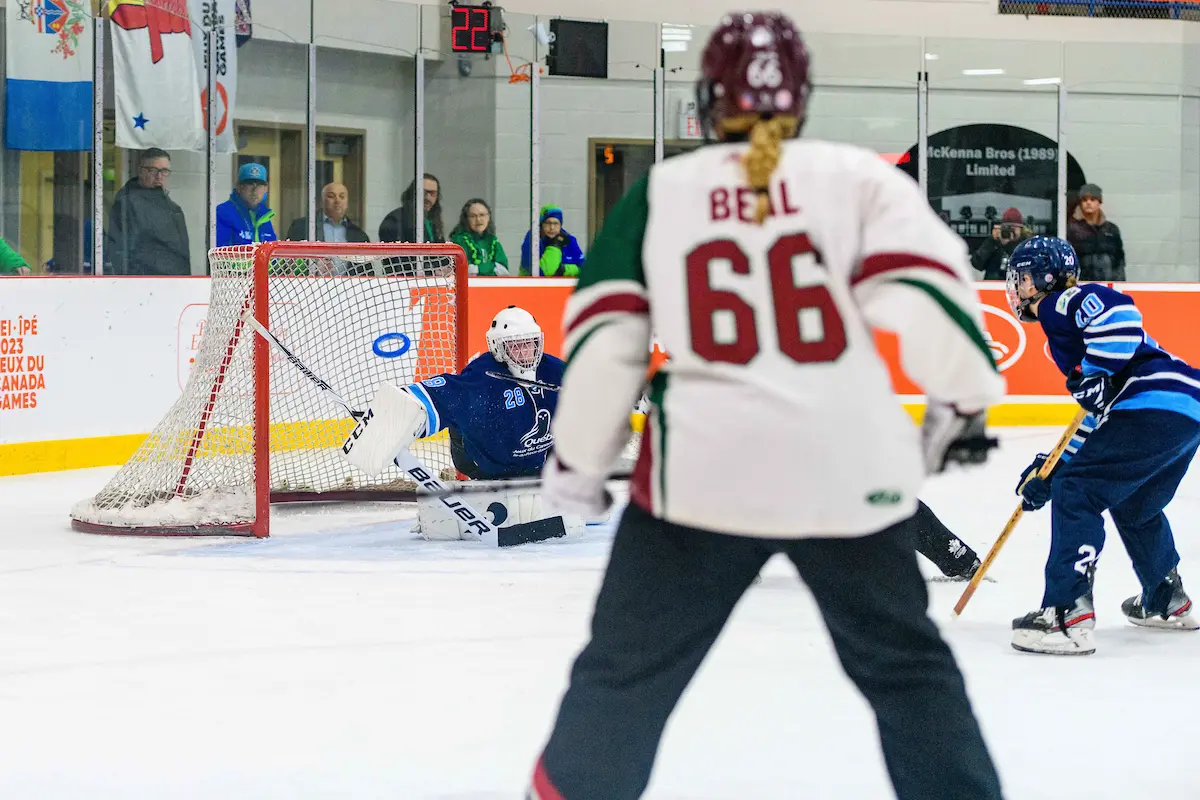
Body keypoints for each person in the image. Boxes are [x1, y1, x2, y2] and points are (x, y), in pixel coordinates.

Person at [527, 13, 1005, 800]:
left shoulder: (663, 190)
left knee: (623, 678)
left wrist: (579, 458)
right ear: (803, 95)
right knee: (909, 673)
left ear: (708, 97)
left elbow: (610, 340)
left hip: (704, 475)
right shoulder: (861, 178)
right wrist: (963, 400)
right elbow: (931, 297)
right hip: (847, 468)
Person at [1007, 236, 1199, 656]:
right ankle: (1166, 600)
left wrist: (1095, 371)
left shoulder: (1064, 303)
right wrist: (1054, 469)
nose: (1016, 287)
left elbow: (1122, 315)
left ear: (1043, 278)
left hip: (1150, 403)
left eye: (1021, 278)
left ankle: (1065, 615)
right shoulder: (1063, 335)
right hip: (1183, 408)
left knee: (1080, 490)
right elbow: (1096, 416)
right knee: (1135, 504)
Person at [340, 307, 571, 540]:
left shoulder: (554, 371)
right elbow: (443, 393)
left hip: (534, 462)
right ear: (499, 348)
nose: (525, 352)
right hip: (482, 462)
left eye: (529, 343)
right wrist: (393, 413)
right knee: (465, 412)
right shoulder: (484, 376)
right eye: (515, 345)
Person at [106, 147, 190, 275]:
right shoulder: (126, 203)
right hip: (142, 283)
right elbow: (119, 250)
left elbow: (183, 255)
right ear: (141, 171)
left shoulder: (174, 209)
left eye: (164, 171)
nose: (159, 176)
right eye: (153, 170)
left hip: (174, 284)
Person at [1066, 183, 1125, 281]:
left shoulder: (1111, 229)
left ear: (1099, 202)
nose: (1088, 203)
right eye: (1084, 200)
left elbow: (1119, 260)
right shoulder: (1071, 229)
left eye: (1092, 199)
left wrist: (1119, 283)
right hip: (1082, 284)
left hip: (1108, 285)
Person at [215, 163, 277, 248]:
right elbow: (220, 253)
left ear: (266, 189)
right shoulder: (224, 212)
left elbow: (274, 256)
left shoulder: (265, 217)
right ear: (239, 187)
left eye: (259, 184)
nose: (254, 190)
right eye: (249, 184)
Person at [285, 182, 371, 243]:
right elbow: (289, 262)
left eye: (342, 196)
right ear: (322, 201)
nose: (337, 200)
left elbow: (366, 268)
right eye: (331, 196)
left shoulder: (359, 235)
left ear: (347, 203)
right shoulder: (301, 227)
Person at [449, 198, 510, 276]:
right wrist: (491, 267)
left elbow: (504, 271)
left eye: (482, 215)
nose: (478, 220)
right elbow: (462, 271)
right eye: (473, 216)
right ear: (466, 219)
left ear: (488, 217)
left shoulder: (493, 240)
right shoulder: (458, 240)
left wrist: (478, 269)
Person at [519, 205, 585, 276]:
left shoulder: (569, 240)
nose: (552, 227)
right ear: (541, 224)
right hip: (531, 286)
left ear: (560, 225)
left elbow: (584, 269)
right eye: (548, 223)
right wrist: (555, 246)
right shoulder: (532, 240)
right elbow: (540, 274)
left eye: (556, 223)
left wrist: (565, 269)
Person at [379, 173, 444, 243]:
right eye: (423, 192)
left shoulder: (433, 220)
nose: (428, 198)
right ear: (413, 193)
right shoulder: (394, 220)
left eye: (432, 194)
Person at [970, 207, 1028, 280]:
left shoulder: (1026, 245)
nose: (1009, 232)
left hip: (1017, 288)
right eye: (1007, 228)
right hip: (993, 288)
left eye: (1013, 229)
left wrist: (1009, 245)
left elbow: (1025, 268)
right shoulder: (994, 243)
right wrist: (992, 242)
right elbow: (977, 264)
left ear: (1021, 230)